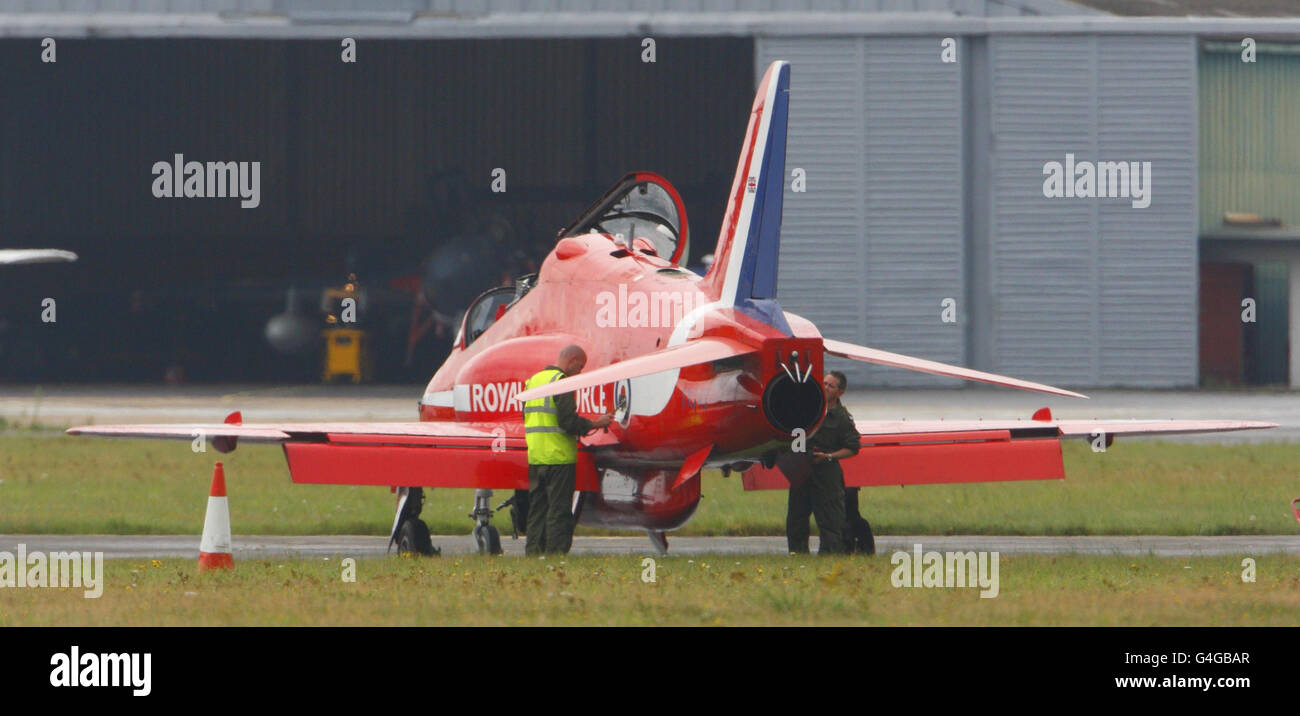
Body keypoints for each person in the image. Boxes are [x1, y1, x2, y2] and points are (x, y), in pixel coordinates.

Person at [522, 345, 613, 555]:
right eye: (579, 367)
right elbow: (567, 422)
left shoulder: (533, 381)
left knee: (537, 509)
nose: (579, 372)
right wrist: (596, 424)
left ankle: (533, 552)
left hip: (536, 458)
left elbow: (527, 418)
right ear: (571, 360)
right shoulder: (561, 383)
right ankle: (556, 554)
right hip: (559, 459)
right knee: (559, 511)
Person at [787, 370, 860, 555]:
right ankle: (797, 555)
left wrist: (828, 456)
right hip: (802, 470)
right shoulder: (805, 409)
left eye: (831, 385)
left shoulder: (842, 417)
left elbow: (853, 447)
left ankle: (829, 557)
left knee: (830, 521)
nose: (826, 387)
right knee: (796, 519)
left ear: (840, 392)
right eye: (824, 383)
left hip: (826, 473)